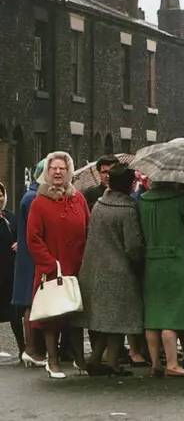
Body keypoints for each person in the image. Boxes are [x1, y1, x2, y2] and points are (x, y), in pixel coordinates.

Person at [26, 151, 89, 379]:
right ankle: (52, 361)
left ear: (69, 171)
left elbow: (88, 228)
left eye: (62, 168)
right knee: (52, 317)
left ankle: (79, 358)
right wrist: (49, 264)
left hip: (77, 266)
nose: (58, 172)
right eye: (54, 168)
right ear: (47, 172)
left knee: (75, 315)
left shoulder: (78, 199)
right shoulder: (39, 203)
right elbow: (33, 238)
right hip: (52, 269)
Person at [78, 165, 144, 376]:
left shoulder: (98, 205)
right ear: (129, 184)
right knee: (117, 320)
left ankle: (96, 358)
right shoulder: (127, 209)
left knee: (106, 321)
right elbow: (133, 246)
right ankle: (112, 363)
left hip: (95, 268)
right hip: (119, 271)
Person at [140, 179, 184, 378]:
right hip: (177, 260)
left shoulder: (143, 200)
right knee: (172, 315)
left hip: (151, 261)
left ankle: (155, 364)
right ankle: (173, 364)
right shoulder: (182, 199)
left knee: (153, 314)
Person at [11, 159, 46, 367]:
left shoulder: (32, 195)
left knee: (31, 301)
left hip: (28, 255)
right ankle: (31, 349)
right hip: (31, 258)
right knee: (30, 302)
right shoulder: (33, 197)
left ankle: (32, 349)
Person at [0, 181, 22, 357]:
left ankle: (23, 348)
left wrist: (19, 243)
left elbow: (21, 234)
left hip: (10, 271)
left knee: (15, 313)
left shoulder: (10, 217)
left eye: (0, 194)